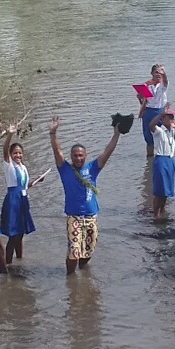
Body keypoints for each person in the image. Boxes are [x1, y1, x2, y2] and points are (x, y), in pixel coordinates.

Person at [48, 117, 121, 275]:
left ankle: (82, 273)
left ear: (85, 156)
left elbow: (107, 152)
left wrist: (116, 134)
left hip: (91, 217)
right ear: (71, 156)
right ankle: (70, 278)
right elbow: (57, 151)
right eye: (75, 156)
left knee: (88, 252)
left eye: (81, 155)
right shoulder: (65, 169)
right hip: (74, 217)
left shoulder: (92, 168)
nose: (78, 158)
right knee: (74, 251)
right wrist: (53, 133)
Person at [1, 124, 45, 266]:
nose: (18, 155)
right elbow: (4, 151)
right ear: (11, 155)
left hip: (23, 200)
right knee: (13, 235)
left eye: (20, 153)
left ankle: (19, 261)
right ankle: (7, 265)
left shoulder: (23, 167)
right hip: (13, 201)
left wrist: (36, 181)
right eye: (15, 153)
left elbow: (25, 186)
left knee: (20, 234)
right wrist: (10, 135)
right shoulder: (9, 166)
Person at [149, 110, 175, 221]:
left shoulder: (173, 131)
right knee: (159, 189)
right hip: (161, 159)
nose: (170, 120)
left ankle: (162, 209)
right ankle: (156, 213)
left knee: (167, 189)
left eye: (171, 118)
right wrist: (161, 114)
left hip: (170, 160)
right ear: (162, 120)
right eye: (167, 118)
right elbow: (151, 125)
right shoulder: (159, 131)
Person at [138, 64, 170, 156]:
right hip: (149, 111)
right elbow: (143, 103)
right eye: (156, 72)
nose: (159, 74)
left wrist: (164, 74)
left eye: (160, 72)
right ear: (151, 73)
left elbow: (166, 82)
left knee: (164, 136)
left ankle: (164, 155)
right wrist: (140, 98)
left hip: (161, 111)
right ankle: (150, 159)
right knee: (149, 138)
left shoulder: (163, 84)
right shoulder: (146, 85)